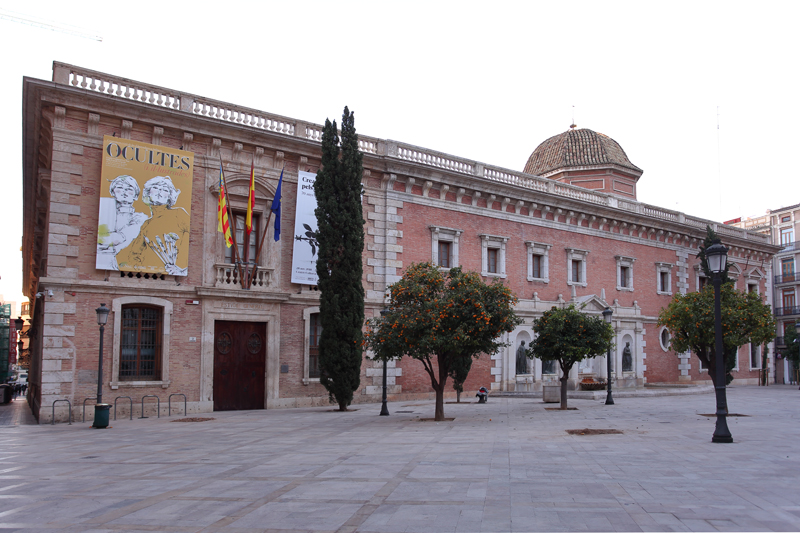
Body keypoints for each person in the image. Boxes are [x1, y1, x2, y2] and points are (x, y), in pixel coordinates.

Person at [116, 176, 190, 276]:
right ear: (148, 193)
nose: (159, 191)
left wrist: (182, 270)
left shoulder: (178, 214)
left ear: (170, 196)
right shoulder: (146, 224)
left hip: (172, 277)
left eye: (164, 190)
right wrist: (139, 269)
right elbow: (132, 253)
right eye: (155, 188)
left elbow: (200, 241)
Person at [96, 175, 148, 270]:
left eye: (129, 189)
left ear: (136, 196)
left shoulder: (140, 218)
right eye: (120, 188)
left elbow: (118, 238)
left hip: (124, 264)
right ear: (112, 192)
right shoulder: (104, 212)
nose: (124, 192)